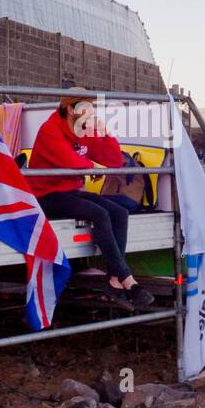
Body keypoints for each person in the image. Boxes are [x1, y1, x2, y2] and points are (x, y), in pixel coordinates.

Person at [28, 90, 154, 311]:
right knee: (100, 213)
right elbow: (69, 160)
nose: (90, 112)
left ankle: (115, 281)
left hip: (70, 191)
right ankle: (127, 279)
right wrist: (89, 166)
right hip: (45, 195)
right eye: (85, 107)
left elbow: (114, 159)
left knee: (119, 212)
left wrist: (103, 133)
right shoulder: (50, 130)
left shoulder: (85, 128)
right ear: (70, 109)